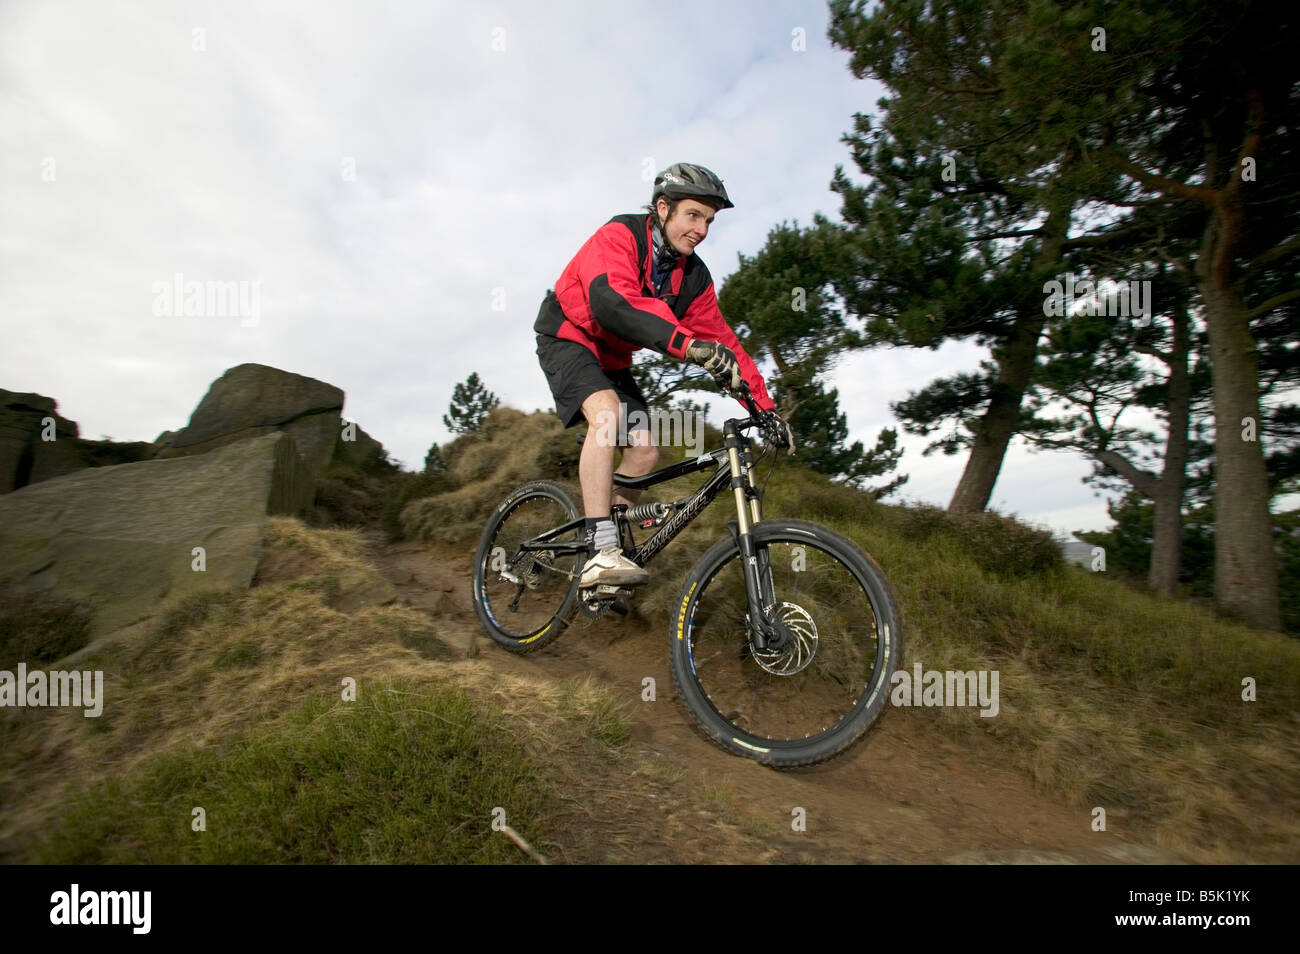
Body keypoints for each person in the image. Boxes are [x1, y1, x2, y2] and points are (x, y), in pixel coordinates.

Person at [534, 162, 794, 589]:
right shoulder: (619, 235)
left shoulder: (693, 277)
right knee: (606, 413)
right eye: (693, 215)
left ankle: (610, 540)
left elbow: (724, 343)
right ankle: (600, 550)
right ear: (663, 208)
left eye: (709, 221)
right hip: (569, 336)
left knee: (645, 453)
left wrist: (765, 409)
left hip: (613, 358)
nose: (701, 230)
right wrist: (688, 345)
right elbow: (611, 302)